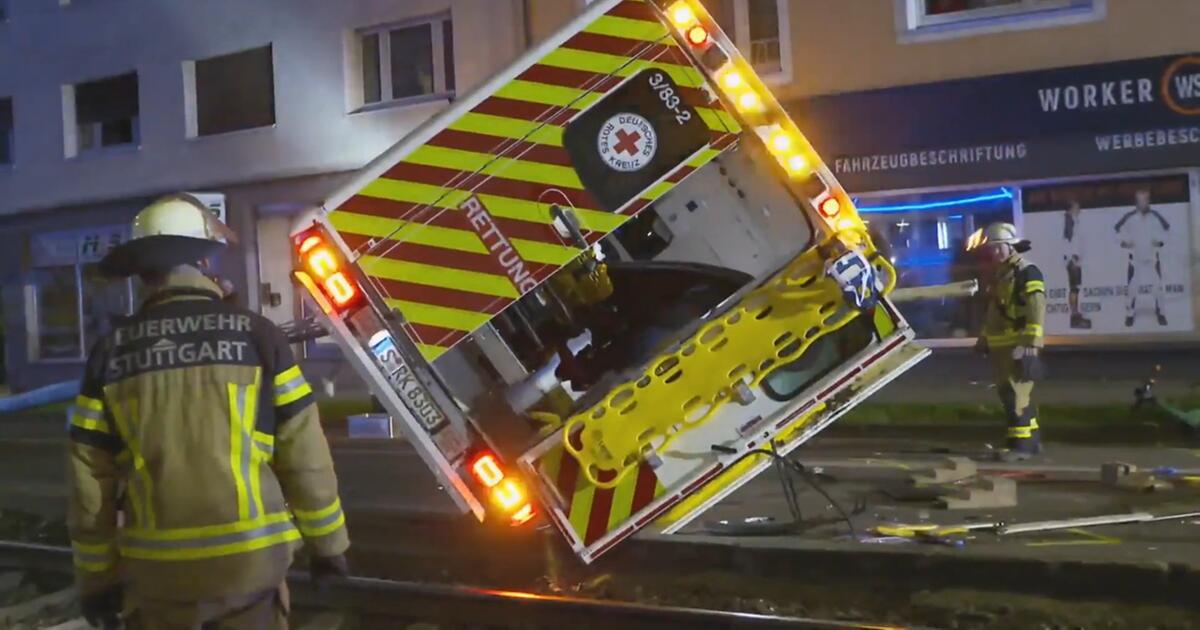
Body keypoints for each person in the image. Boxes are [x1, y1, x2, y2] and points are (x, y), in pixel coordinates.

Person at [66, 193, 350, 629]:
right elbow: (304, 455)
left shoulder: (112, 354)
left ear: (145, 274)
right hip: (251, 565)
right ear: (204, 264)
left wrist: (97, 582)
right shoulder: (259, 337)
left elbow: (91, 485)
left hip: (158, 573)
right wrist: (328, 546)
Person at [972, 222, 1047, 462]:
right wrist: (984, 337)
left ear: (1010, 246)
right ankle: (1030, 441)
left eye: (997, 248)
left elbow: (1036, 309)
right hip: (1001, 346)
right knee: (1013, 393)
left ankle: (1021, 446)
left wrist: (1031, 344)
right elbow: (994, 311)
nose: (993, 253)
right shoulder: (1001, 274)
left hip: (1018, 345)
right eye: (991, 249)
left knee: (1016, 395)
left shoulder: (1027, 272)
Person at [1115, 188, 1170, 327]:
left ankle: (1161, 313)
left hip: (1152, 259)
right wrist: (1124, 243)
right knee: (1132, 290)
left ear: (1149, 200)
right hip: (1135, 260)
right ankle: (1129, 315)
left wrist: (1160, 242)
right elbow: (1116, 231)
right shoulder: (1129, 217)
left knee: (1158, 288)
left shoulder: (1155, 216)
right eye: (1140, 200)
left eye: (1145, 199)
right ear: (1136, 201)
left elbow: (1167, 231)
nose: (1143, 202)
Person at [1061, 200, 1091, 329]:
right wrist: (1072, 257)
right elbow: (1067, 241)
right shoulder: (1069, 221)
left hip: (1075, 260)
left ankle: (1076, 315)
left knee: (1075, 289)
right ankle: (1074, 317)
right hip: (1073, 261)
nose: (1079, 210)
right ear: (1071, 209)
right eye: (1077, 208)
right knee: (1074, 288)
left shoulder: (1073, 221)